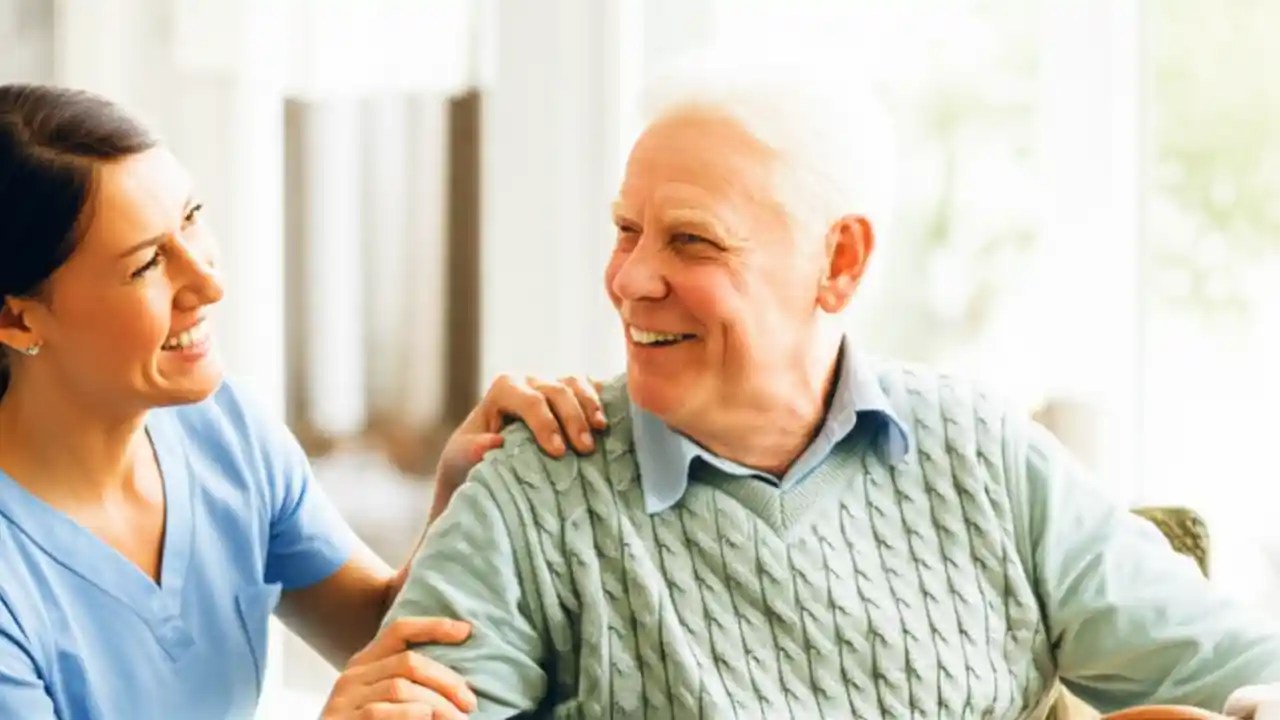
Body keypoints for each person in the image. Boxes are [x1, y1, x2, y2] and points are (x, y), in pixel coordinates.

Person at [385, 62, 1280, 718]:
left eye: (692, 241)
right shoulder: (531, 487)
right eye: (627, 230)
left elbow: (1245, 671)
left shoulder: (981, 452)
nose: (632, 279)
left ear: (839, 262)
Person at [0, 83, 606, 720]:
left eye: (190, 218)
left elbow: (377, 633)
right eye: (147, 263)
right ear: (17, 320)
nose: (209, 282)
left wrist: (462, 493)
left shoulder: (223, 430)